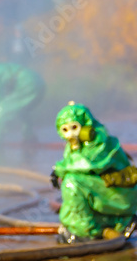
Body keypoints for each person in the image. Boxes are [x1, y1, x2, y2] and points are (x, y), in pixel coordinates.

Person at [50, 102, 137, 243]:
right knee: (69, 210)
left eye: (74, 127)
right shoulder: (76, 146)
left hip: (120, 196)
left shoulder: (100, 141)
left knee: (72, 184)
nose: (71, 134)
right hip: (105, 194)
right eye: (65, 130)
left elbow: (87, 165)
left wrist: (58, 169)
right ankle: (107, 224)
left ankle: (88, 233)